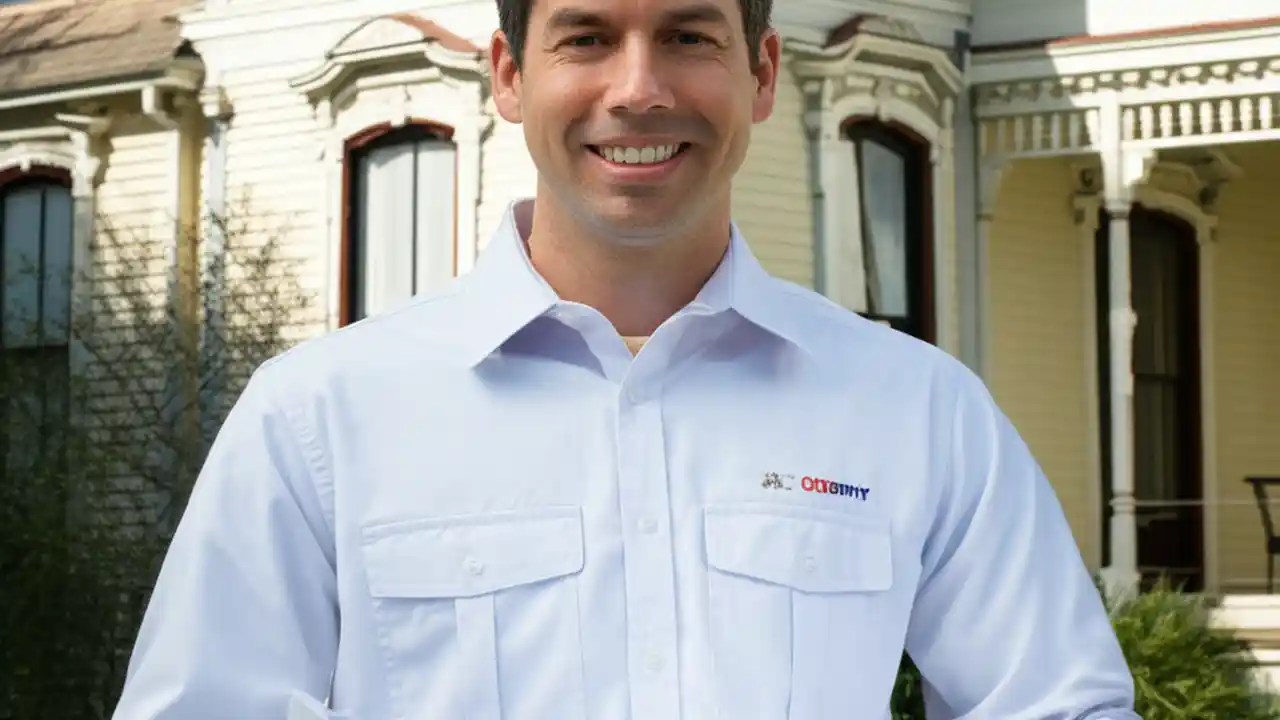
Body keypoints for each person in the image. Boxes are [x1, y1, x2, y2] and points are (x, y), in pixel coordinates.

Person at [113, 0, 1143, 718]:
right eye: (588, 37)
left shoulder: (918, 411)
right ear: (510, 76)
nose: (638, 88)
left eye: (689, 35)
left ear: (762, 74)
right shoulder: (317, 419)